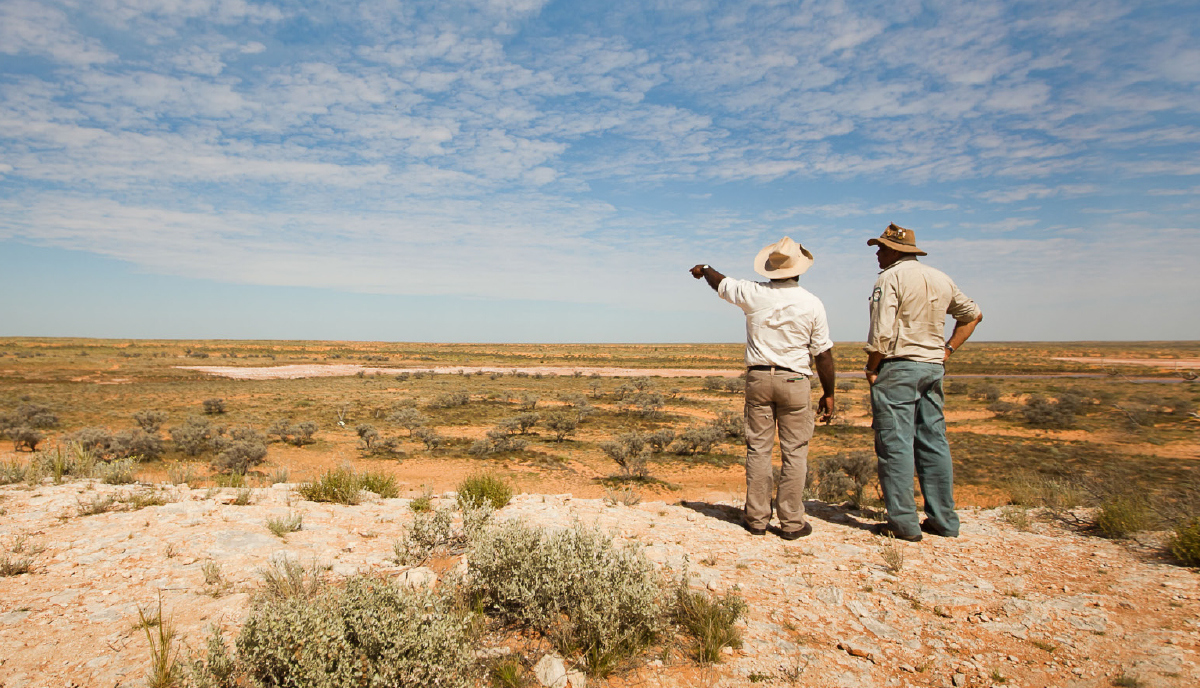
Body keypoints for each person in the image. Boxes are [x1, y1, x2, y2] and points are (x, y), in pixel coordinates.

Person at [690, 236, 836, 540]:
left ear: (770, 268)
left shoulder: (754, 293)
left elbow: (721, 282)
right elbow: (822, 353)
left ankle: (756, 518)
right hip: (795, 380)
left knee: (758, 448)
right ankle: (792, 523)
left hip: (759, 378)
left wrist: (704, 268)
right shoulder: (812, 302)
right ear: (799, 269)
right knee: (795, 452)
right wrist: (829, 391)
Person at [863, 223, 983, 542]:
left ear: (896, 250)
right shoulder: (941, 278)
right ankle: (944, 520)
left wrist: (872, 367)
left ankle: (903, 524)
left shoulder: (889, 278)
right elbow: (973, 315)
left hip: (899, 366)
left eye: (882, 247)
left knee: (895, 443)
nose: (877, 253)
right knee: (933, 440)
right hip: (932, 366)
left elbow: (881, 331)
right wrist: (948, 349)